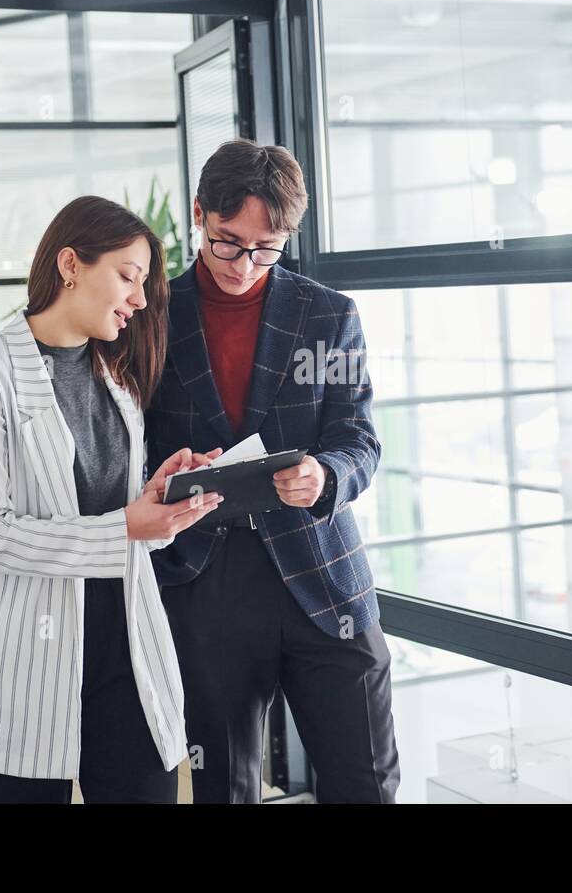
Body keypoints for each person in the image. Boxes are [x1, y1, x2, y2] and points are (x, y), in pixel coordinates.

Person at [0, 195, 223, 803]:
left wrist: (158, 500)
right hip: (22, 669)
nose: (141, 299)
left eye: (144, 283)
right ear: (70, 264)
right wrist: (125, 526)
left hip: (126, 661)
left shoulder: (115, 379)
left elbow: (116, 515)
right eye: (127, 276)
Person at [147, 139, 401, 803]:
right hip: (204, 582)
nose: (245, 264)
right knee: (222, 788)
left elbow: (360, 440)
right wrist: (170, 472)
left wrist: (326, 475)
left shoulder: (329, 315)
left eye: (267, 248)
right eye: (229, 242)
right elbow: (127, 445)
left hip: (322, 575)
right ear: (200, 213)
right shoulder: (148, 318)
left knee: (366, 779)